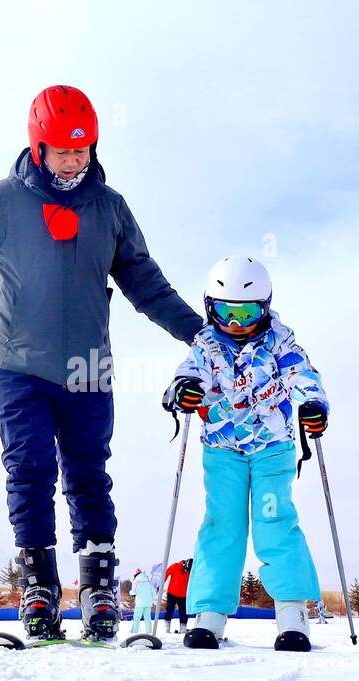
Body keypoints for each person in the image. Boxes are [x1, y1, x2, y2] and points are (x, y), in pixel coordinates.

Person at [0, 85, 202, 643]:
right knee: (30, 472)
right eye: (63, 150)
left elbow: (146, 282)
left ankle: (96, 590)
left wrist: (199, 335)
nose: (74, 161)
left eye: (83, 149)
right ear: (38, 147)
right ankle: (40, 588)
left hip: (88, 367)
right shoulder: (5, 198)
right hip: (18, 365)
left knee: (90, 477)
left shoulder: (109, 207)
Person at [163, 256, 329, 652]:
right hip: (222, 451)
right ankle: (209, 615)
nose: (236, 324)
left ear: (265, 307)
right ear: (210, 308)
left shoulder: (279, 341)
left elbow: (301, 374)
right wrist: (182, 391)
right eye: (226, 312)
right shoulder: (204, 345)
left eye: (247, 312)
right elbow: (186, 377)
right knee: (222, 526)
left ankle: (292, 612)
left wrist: (312, 403)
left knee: (275, 522)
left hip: (272, 449)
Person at [162, 558, 192, 634]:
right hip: (172, 593)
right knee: (170, 609)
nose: (187, 572)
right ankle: (167, 628)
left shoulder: (192, 571)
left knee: (184, 612)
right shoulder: (175, 566)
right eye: (186, 571)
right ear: (184, 565)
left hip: (184, 595)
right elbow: (166, 573)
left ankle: (183, 629)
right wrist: (162, 582)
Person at [129, 568, 156, 635]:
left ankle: (134, 631)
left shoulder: (135, 581)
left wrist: (130, 592)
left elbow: (133, 592)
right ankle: (149, 632)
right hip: (148, 603)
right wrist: (151, 599)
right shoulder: (148, 580)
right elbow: (154, 592)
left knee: (137, 617)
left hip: (139, 603)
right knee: (147, 617)